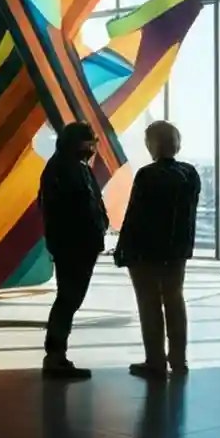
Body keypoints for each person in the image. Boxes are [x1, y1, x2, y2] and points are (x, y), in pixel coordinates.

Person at [113, 121, 200, 379]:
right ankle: (179, 359)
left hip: (146, 251)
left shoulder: (147, 175)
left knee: (149, 303)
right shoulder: (190, 174)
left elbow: (135, 215)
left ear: (152, 144)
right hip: (177, 250)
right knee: (175, 300)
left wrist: (122, 250)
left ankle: (155, 360)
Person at [39, 121, 108, 379]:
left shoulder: (64, 167)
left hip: (72, 244)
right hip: (75, 245)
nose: (91, 148)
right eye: (88, 143)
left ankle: (57, 355)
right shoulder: (69, 170)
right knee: (68, 299)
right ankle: (55, 355)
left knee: (68, 298)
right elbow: (82, 209)